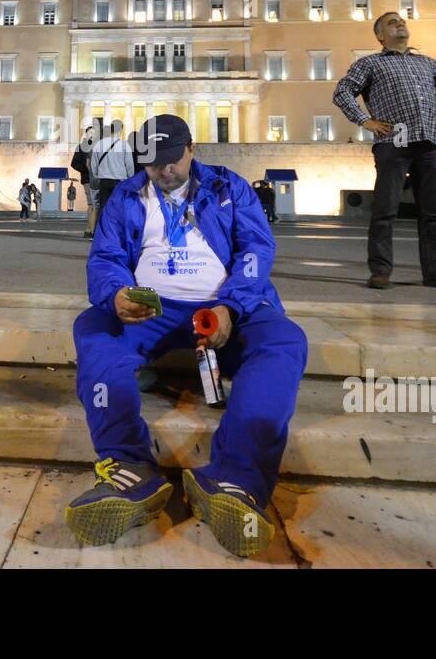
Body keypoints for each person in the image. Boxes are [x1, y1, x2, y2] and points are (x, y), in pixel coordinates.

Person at [66, 114, 308, 557]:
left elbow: (256, 250)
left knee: (285, 342)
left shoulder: (228, 187)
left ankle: (236, 479)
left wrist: (231, 306)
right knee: (93, 330)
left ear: (191, 148)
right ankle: (128, 468)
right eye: (154, 164)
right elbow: (105, 257)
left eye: (172, 160)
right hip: (152, 307)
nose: (164, 171)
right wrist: (115, 294)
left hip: (223, 304)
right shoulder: (126, 194)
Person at [334, 11, 436, 291]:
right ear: (380, 36)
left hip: (428, 143)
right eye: (391, 22)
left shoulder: (429, 64)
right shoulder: (370, 63)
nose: (400, 24)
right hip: (394, 141)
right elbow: (342, 92)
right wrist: (365, 121)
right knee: (385, 210)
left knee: (433, 212)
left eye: (402, 21)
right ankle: (381, 271)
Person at [88, 119, 133, 226]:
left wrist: (96, 175)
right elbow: (129, 165)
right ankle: (116, 232)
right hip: (119, 181)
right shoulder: (124, 145)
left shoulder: (100, 144)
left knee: (103, 207)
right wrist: (130, 179)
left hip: (103, 180)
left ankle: (102, 232)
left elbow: (93, 164)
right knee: (119, 207)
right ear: (121, 129)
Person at [71, 123, 97, 237]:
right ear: (86, 134)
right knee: (92, 204)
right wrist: (86, 169)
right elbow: (74, 163)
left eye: (94, 133)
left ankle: (88, 228)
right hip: (87, 178)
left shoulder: (97, 146)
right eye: (90, 133)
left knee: (93, 204)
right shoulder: (81, 147)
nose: (92, 135)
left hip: (96, 179)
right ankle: (91, 230)